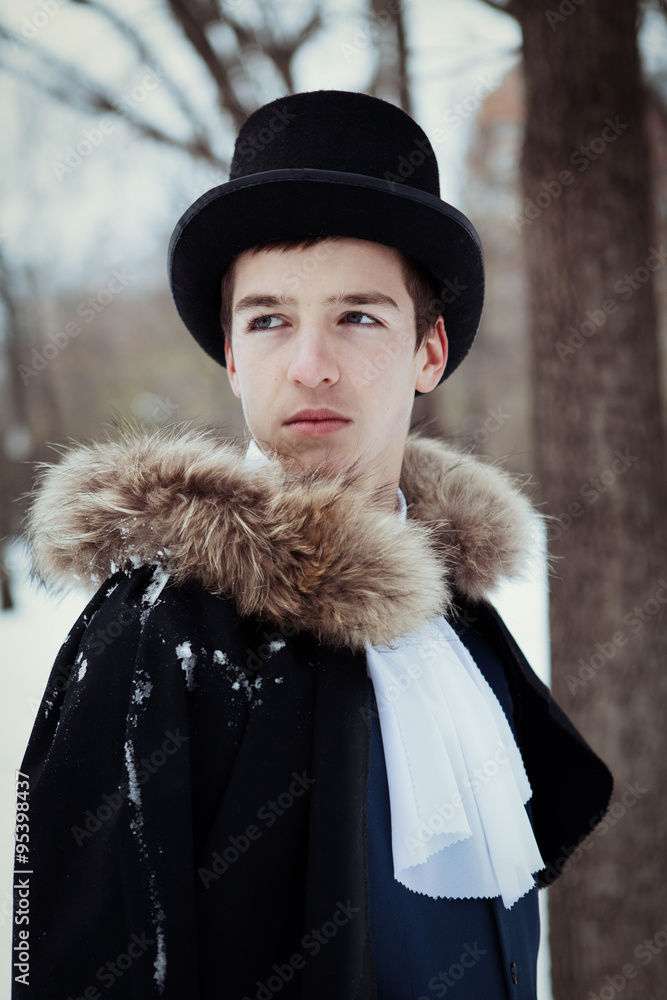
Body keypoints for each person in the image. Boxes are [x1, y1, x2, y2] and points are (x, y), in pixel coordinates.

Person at [12, 90, 613, 1000]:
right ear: (230, 356)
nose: (309, 366)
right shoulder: (156, 630)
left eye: (359, 317)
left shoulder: (456, 619)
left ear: (429, 352)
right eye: (268, 320)